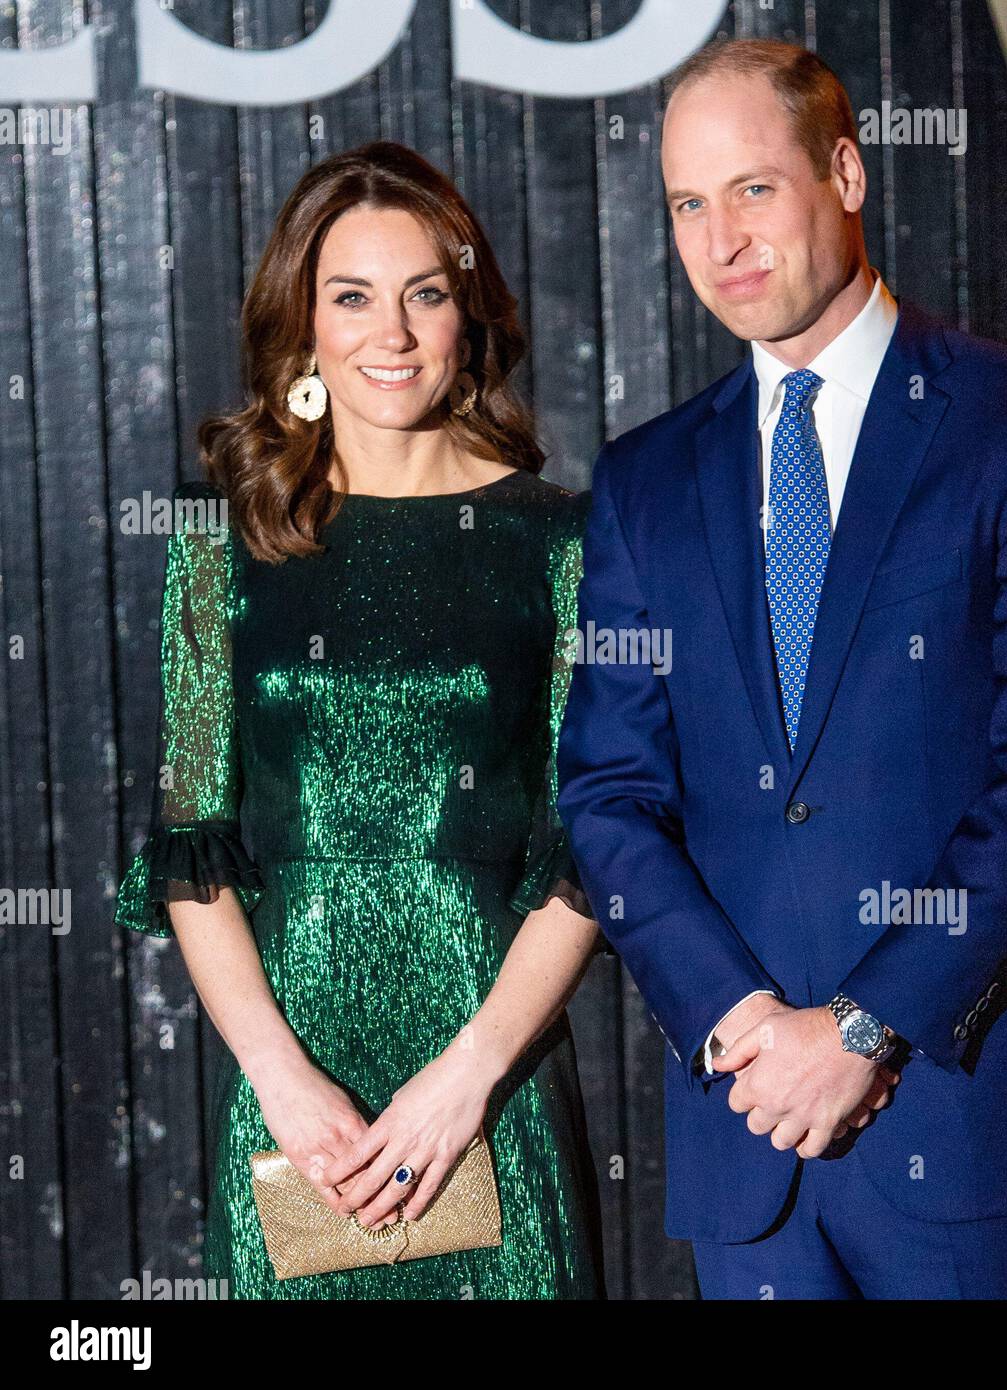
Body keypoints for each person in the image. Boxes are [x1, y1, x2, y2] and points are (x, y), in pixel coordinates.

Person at [556, 39, 1007, 1300]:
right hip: (749, 1139)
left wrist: (864, 1027)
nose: (721, 239)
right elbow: (605, 794)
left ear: (844, 170)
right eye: (686, 204)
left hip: (970, 1114)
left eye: (753, 189)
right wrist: (742, 1027)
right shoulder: (644, 482)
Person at [115, 141, 604, 1300]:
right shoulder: (215, 541)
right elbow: (192, 851)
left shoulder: (561, 541)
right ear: (303, 323)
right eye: (352, 297)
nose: (390, 333)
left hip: (492, 1080)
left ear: (466, 314)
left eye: (424, 294)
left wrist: (465, 1081)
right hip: (296, 1096)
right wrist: (283, 1083)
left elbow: (593, 847)